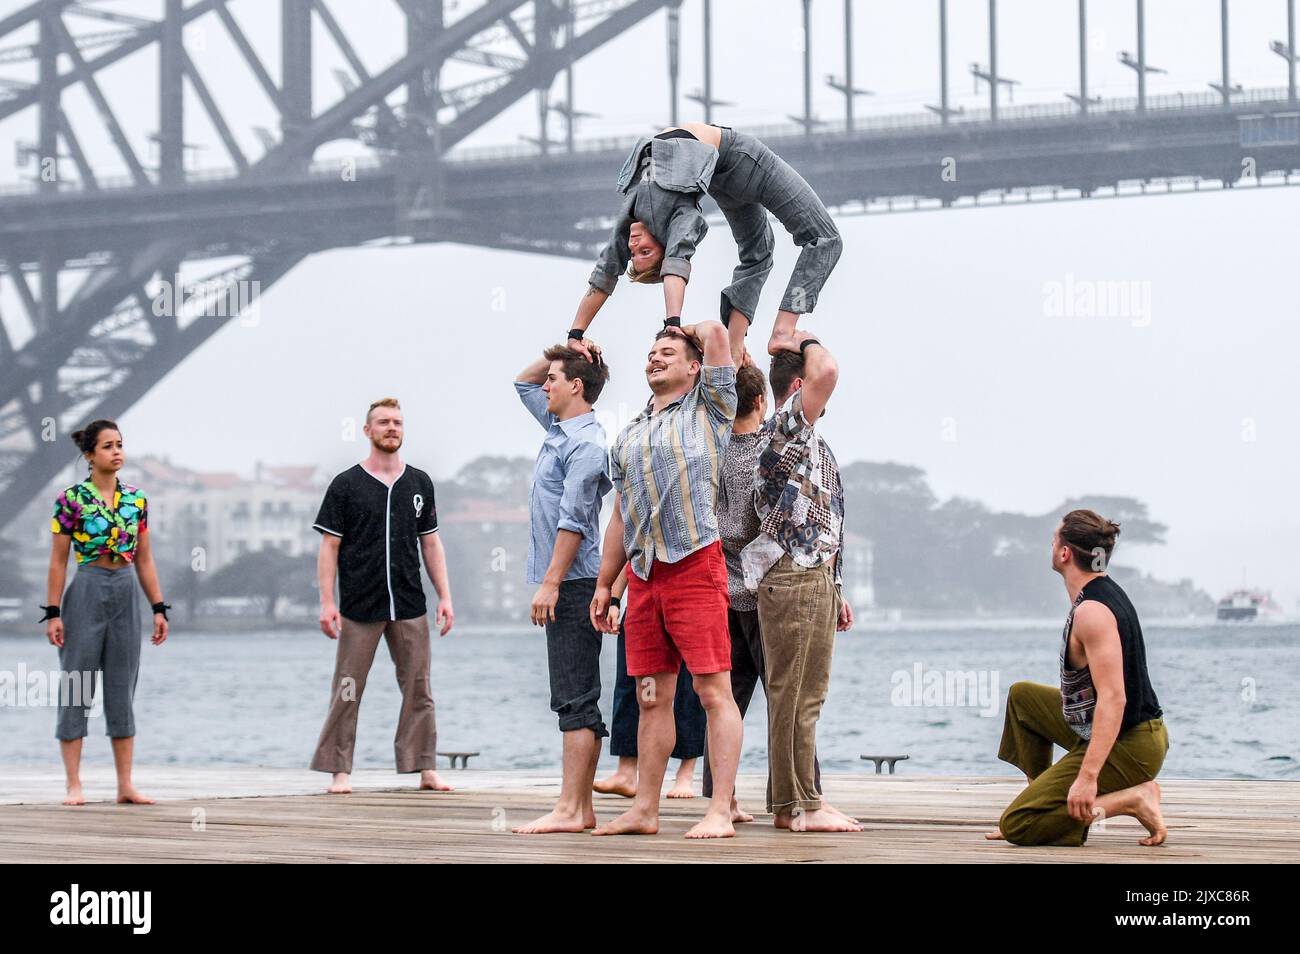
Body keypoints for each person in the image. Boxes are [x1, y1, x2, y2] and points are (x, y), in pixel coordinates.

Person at [590, 321, 743, 839]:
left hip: (696, 563)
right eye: (651, 352)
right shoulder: (628, 434)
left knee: (712, 690)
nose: (654, 358)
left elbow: (719, 333)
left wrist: (677, 322)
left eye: (668, 352)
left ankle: (720, 809)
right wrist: (606, 586)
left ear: (695, 367)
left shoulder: (711, 409)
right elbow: (620, 516)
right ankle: (644, 810)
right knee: (651, 695)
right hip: (644, 573)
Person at [566, 121, 843, 366]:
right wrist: (672, 323)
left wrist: (575, 334)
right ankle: (783, 331)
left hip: (720, 173)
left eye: (635, 252)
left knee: (757, 255)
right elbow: (676, 266)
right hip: (743, 161)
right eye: (646, 252)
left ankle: (734, 350)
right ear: (666, 241)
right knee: (826, 238)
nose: (635, 244)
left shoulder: (628, 224)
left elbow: (602, 278)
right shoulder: (679, 219)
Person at [988, 510, 1169, 847]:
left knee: (1019, 824)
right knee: (1022, 697)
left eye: (1054, 539)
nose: (1051, 544)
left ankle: (1132, 798)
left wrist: (1088, 778)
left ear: (1065, 553)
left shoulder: (1093, 612)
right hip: (1118, 731)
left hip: (1134, 744)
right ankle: (1042, 802)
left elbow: (1115, 699)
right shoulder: (1100, 591)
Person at [741, 334, 861, 833]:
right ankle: (803, 805)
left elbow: (821, 518)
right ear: (798, 386)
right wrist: (801, 339)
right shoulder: (787, 429)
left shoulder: (805, 441)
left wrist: (836, 584)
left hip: (811, 576)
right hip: (792, 577)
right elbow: (827, 371)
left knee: (802, 693)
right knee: (795, 694)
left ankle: (793, 805)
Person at [309, 398, 455, 795]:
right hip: (359, 604)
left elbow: (432, 544)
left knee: (419, 688)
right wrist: (327, 602)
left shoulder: (419, 483)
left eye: (397, 422)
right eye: (383, 422)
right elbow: (329, 548)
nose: (391, 428)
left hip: (410, 603)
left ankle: (425, 767)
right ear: (367, 431)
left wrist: (445, 596)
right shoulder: (346, 485)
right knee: (348, 687)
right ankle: (339, 771)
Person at [511, 344, 613, 833]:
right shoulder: (558, 431)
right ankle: (580, 808)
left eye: (555, 378)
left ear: (576, 386)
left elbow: (574, 521)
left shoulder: (586, 446)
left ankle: (571, 809)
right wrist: (565, 344)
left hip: (573, 583)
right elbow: (521, 383)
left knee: (574, 696)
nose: (545, 385)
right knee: (572, 692)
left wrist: (550, 584)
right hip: (567, 582)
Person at [44, 419, 170, 807]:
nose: (117, 452)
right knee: (78, 685)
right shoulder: (70, 500)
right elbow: (57, 561)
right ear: (89, 455)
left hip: (126, 589)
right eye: (107, 446)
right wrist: (53, 612)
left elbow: (145, 559)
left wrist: (158, 607)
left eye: (120, 445)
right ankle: (74, 785)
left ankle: (125, 785)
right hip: (87, 588)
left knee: (122, 687)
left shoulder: (137, 500)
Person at [593, 564, 707, 801]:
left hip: (689, 592)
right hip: (642, 594)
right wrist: (614, 599)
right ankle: (626, 771)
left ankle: (685, 773)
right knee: (630, 682)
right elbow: (629, 552)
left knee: (690, 686)